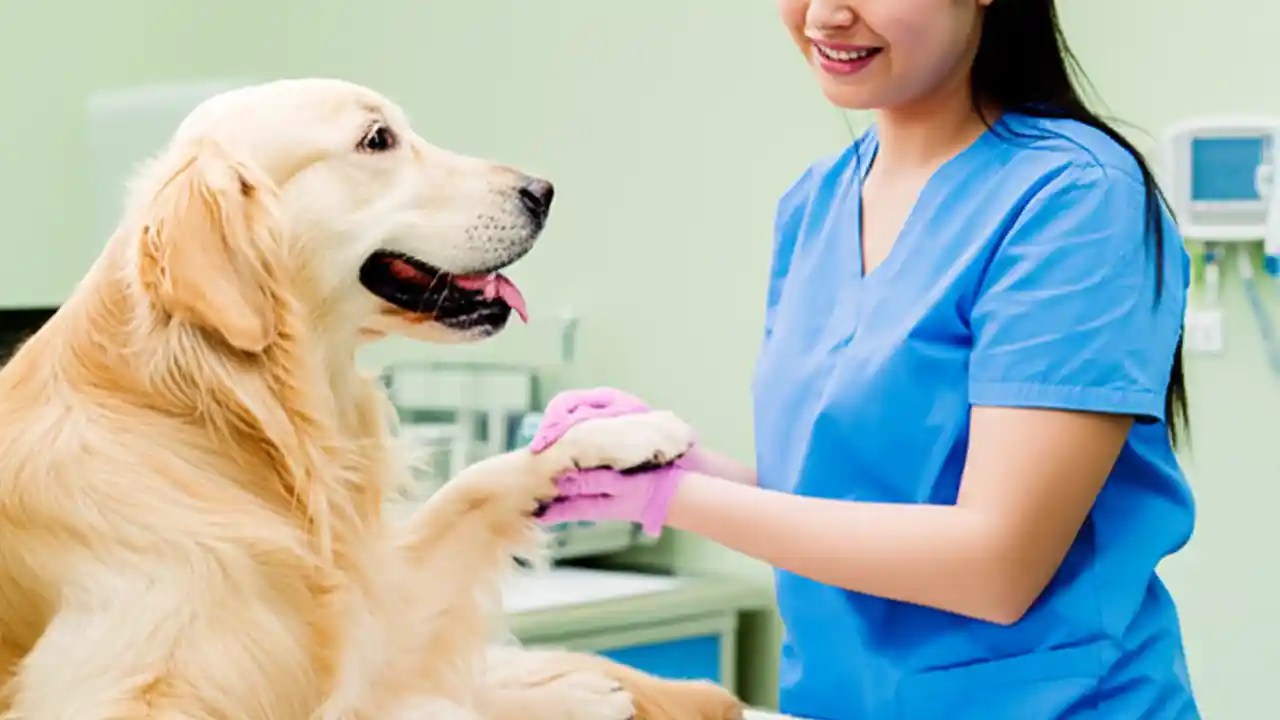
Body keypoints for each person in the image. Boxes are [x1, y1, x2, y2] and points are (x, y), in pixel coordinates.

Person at [534, 0, 1199, 718]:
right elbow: (848, 497)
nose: (824, 15)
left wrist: (678, 501)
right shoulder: (816, 202)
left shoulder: (1075, 197)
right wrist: (674, 465)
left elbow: (997, 565)